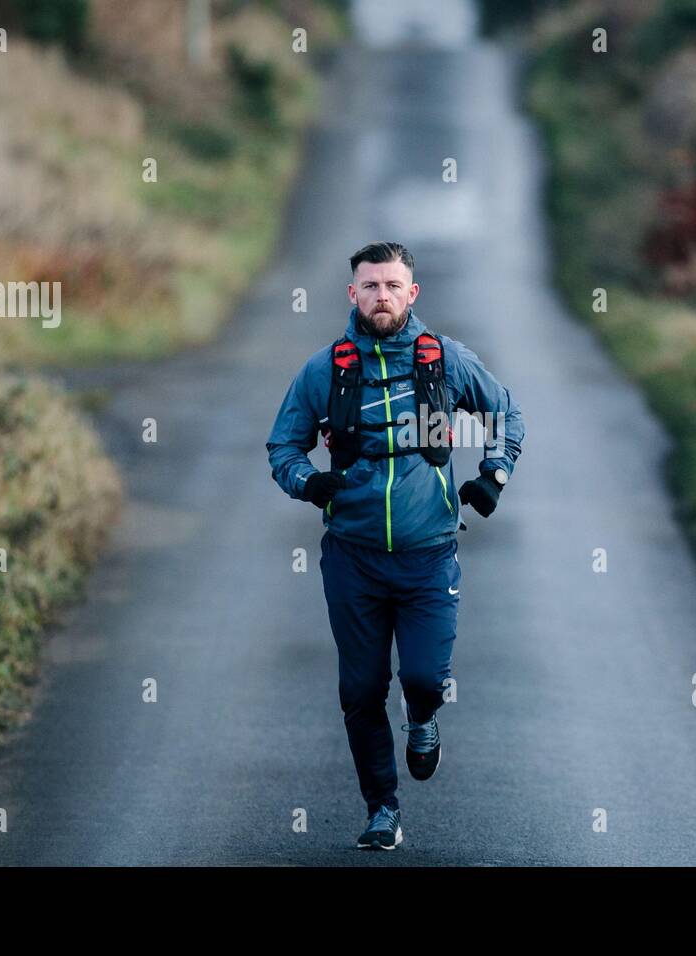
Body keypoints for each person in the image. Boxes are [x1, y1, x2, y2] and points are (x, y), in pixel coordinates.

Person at [266, 241, 525, 849]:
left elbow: (506, 414)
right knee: (359, 691)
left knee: (425, 679)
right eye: (370, 286)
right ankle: (382, 810)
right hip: (351, 558)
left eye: (392, 285)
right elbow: (283, 448)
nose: (381, 296)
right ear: (352, 294)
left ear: (413, 294)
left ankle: (426, 719)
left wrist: (494, 476)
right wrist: (310, 482)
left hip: (429, 555)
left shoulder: (445, 360)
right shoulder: (325, 370)